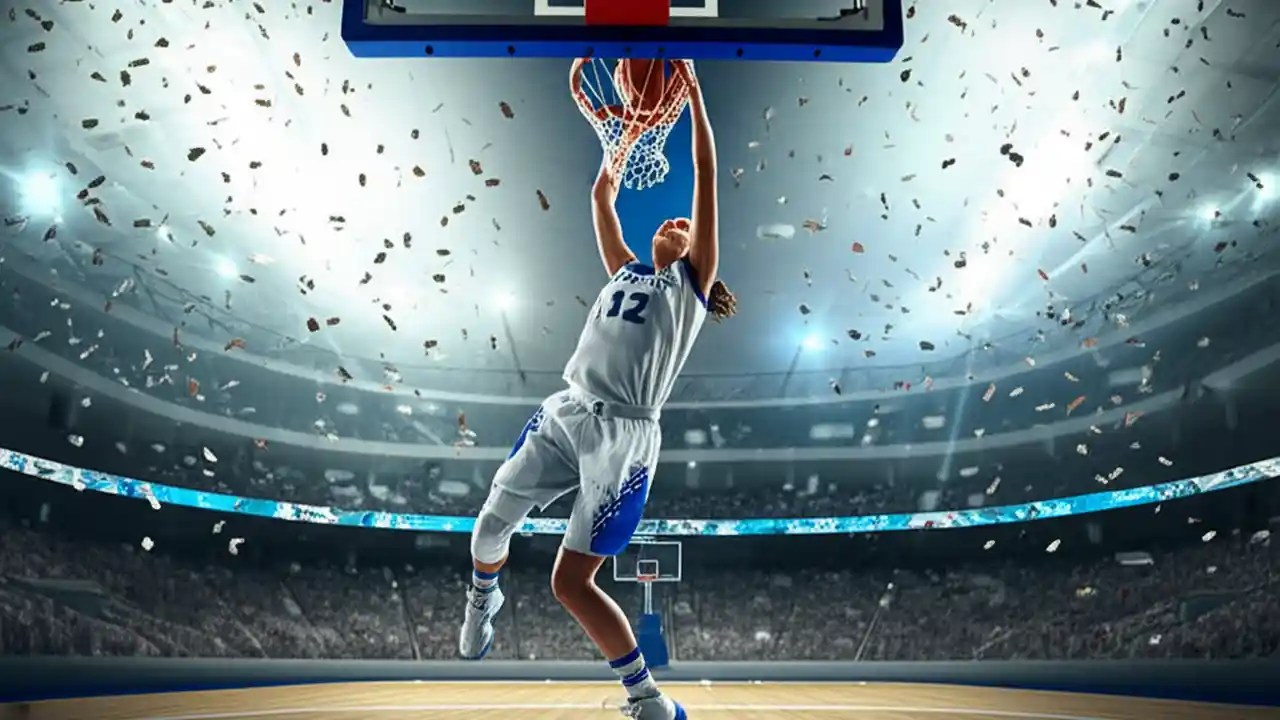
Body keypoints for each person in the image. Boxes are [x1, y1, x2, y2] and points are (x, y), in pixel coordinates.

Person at [458, 60, 735, 720]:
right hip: (568, 408)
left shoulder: (691, 289)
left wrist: (693, 100)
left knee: (568, 581)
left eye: (684, 224)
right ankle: (481, 600)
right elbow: (598, 199)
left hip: (624, 437)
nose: (675, 219)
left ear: (697, 249)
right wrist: (625, 137)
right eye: (671, 219)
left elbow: (706, 177)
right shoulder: (625, 271)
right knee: (489, 525)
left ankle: (648, 700)